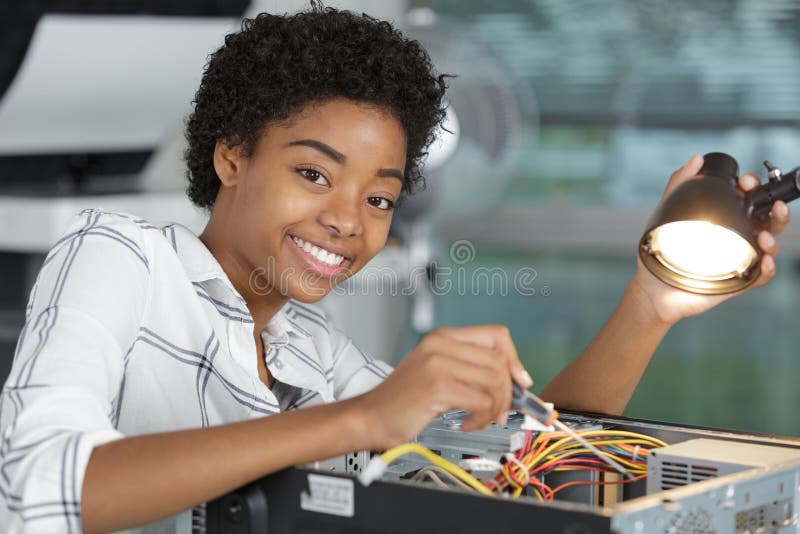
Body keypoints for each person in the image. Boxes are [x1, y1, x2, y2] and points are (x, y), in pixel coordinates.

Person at [0, 4, 790, 534]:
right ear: (231, 155)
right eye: (314, 174)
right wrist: (359, 420)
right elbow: (40, 488)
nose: (348, 220)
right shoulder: (118, 257)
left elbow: (527, 464)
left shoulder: (320, 354)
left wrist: (650, 303)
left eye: (380, 199)